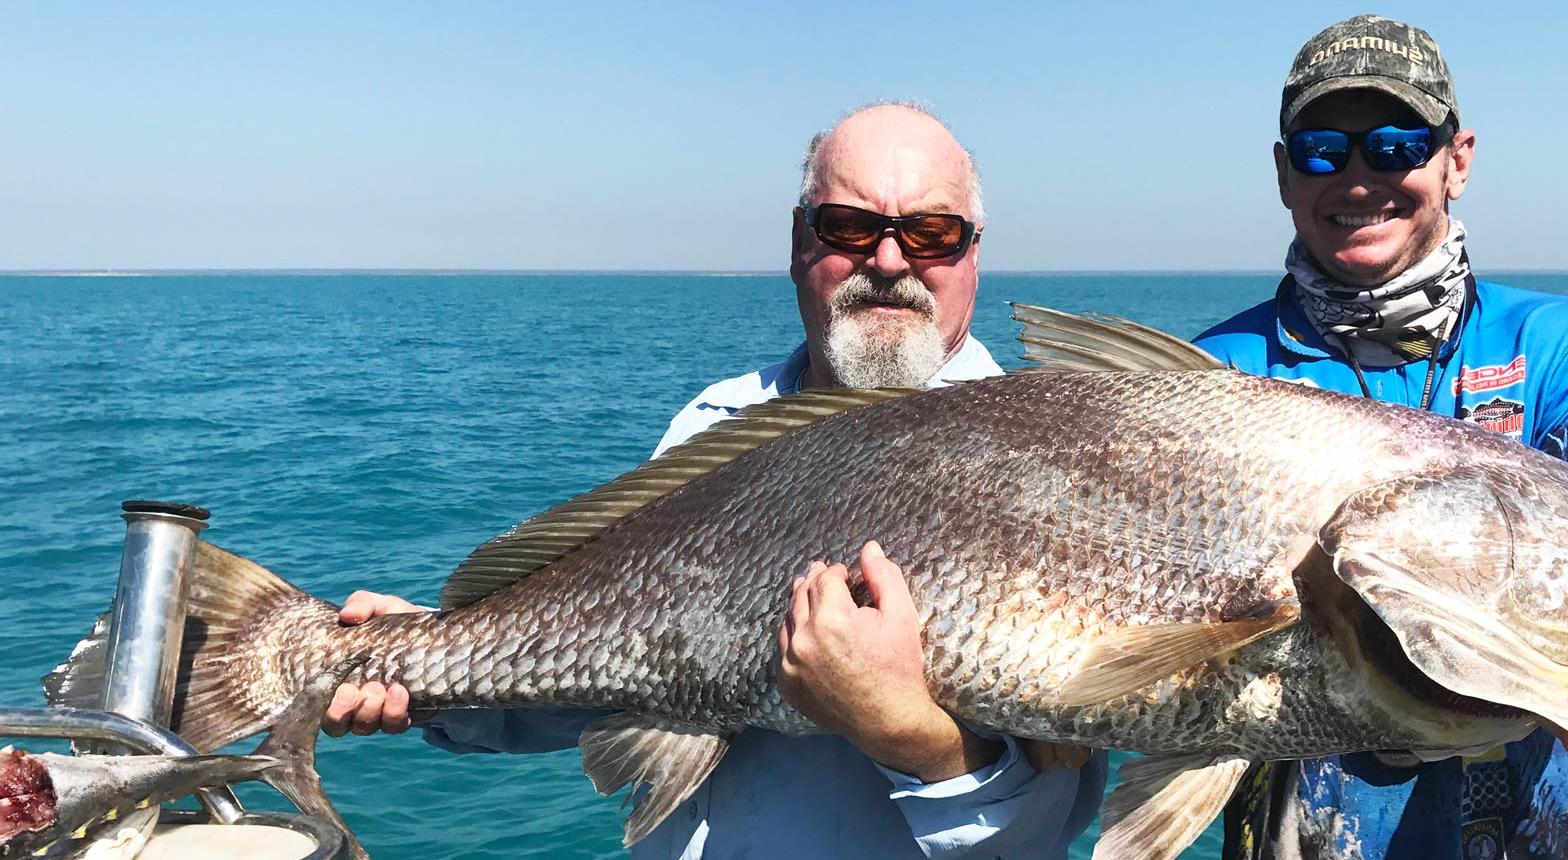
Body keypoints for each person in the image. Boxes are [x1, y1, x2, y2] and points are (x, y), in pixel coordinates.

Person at [323, 101, 1105, 859]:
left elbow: (1039, 835)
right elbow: (606, 673)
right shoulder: (717, 419)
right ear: (801, 241)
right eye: (850, 226)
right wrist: (425, 666)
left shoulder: (1053, 465)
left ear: (972, 253)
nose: (889, 260)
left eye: (930, 232)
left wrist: (910, 736)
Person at [1195, 16, 1568, 860]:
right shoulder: (1214, 377)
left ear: (1456, 160)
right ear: (1284, 173)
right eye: (1324, 150)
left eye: (1397, 145)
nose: (1360, 180)